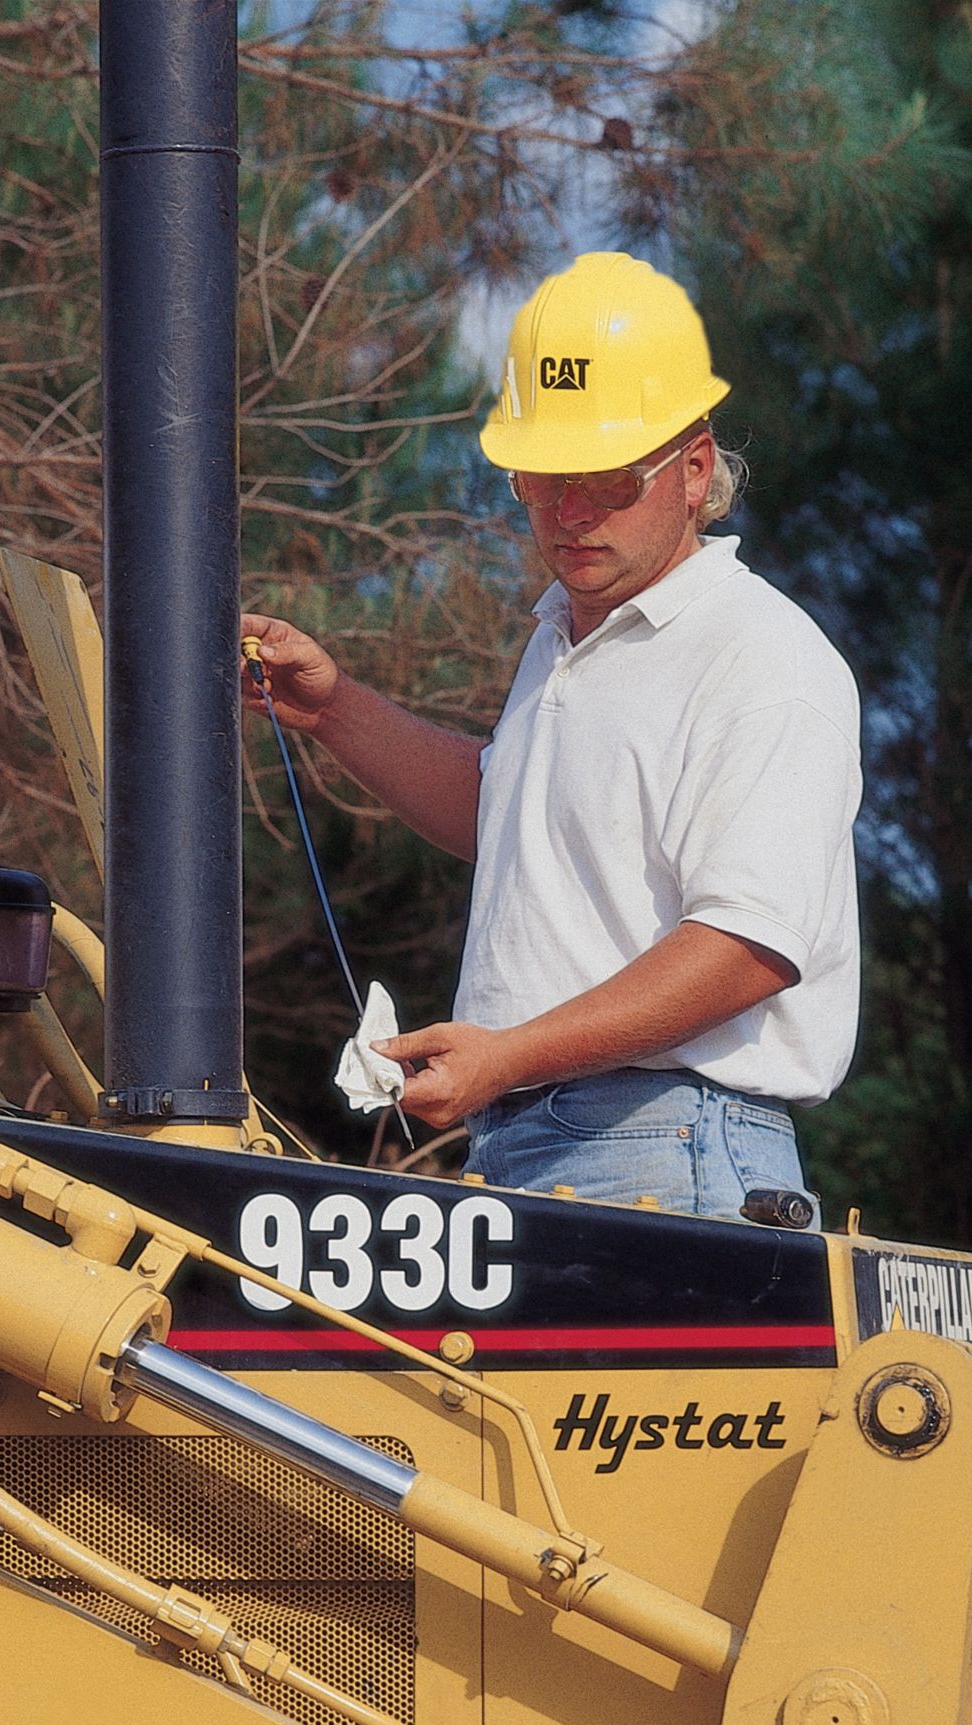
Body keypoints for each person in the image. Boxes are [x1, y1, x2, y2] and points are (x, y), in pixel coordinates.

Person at [239, 251, 861, 1222]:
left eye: (606, 479)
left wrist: (507, 1056)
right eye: (540, 477)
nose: (568, 513)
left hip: (665, 1139)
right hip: (547, 1134)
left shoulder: (759, 655)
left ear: (693, 470)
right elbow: (511, 819)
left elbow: (747, 946)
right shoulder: (567, 642)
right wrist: (328, 709)